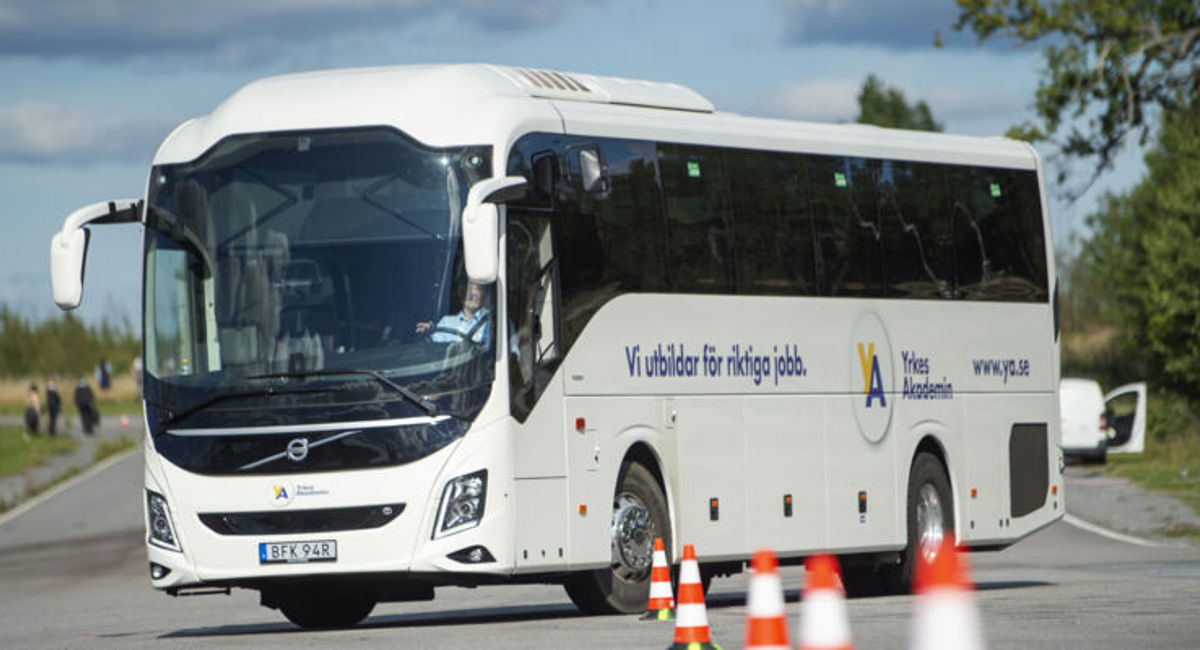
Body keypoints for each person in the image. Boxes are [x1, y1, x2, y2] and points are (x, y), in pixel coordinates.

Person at [415, 281, 492, 346]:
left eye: (478, 289)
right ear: (460, 293)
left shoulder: (491, 320)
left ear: (484, 293)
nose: (474, 293)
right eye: (469, 289)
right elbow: (434, 349)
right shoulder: (446, 322)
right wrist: (428, 333)